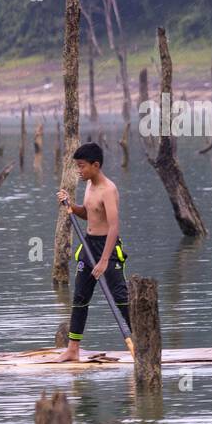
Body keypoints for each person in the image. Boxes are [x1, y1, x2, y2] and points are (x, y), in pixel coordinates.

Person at [54, 142, 129, 362]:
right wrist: (71, 205)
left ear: (96, 165)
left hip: (108, 247)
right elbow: (89, 214)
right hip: (88, 246)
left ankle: (141, 342)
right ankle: (73, 349)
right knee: (79, 297)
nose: (79, 170)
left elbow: (114, 226)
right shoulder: (88, 185)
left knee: (121, 298)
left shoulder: (109, 189)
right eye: (77, 166)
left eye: (82, 166)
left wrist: (105, 260)